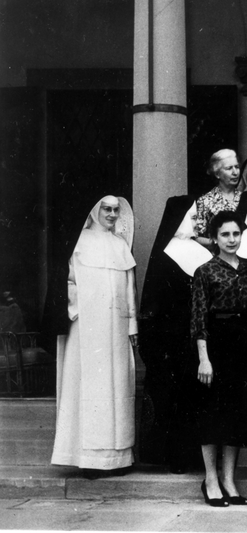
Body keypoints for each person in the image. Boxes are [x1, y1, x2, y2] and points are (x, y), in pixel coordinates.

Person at [51, 195, 138, 480]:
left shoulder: (120, 244)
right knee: (90, 388)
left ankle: (118, 457)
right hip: (87, 328)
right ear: (94, 211)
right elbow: (68, 281)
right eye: (106, 209)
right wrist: (78, 309)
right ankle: (89, 459)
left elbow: (129, 288)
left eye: (116, 210)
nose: (112, 214)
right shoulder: (80, 241)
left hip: (116, 329)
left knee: (117, 386)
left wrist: (132, 325)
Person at [191, 211, 247, 507]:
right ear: (214, 238)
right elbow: (199, 318)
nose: (231, 239)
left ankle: (228, 480)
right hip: (216, 346)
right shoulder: (205, 271)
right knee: (213, 413)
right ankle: (210, 480)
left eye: (236, 234)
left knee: (237, 415)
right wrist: (204, 359)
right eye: (225, 234)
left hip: (245, 347)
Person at [139, 196, 212, 474]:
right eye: (192, 218)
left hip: (200, 339)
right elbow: (153, 305)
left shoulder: (203, 253)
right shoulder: (164, 255)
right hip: (172, 341)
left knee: (199, 397)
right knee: (174, 398)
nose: (196, 222)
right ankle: (176, 457)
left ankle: (199, 458)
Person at [196, 149, 242, 246]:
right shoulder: (205, 200)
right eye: (229, 168)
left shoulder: (245, 197)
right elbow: (196, 236)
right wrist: (216, 243)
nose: (235, 172)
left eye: (237, 167)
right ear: (217, 174)